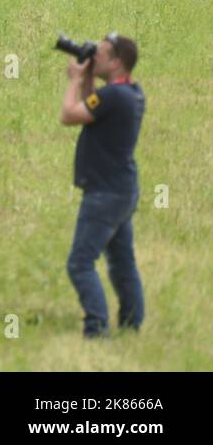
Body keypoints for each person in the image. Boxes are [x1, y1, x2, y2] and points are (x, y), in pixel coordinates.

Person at [59, 33, 146, 339]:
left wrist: (74, 79)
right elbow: (93, 107)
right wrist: (87, 80)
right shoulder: (130, 92)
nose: (94, 56)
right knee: (123, 263)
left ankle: (96, 329)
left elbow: (70, 115)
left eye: (101, 53)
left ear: (117, 61)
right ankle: (131, 325)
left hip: (104, 195)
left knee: (80, 264)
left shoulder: (113, 97)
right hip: (122, 190)